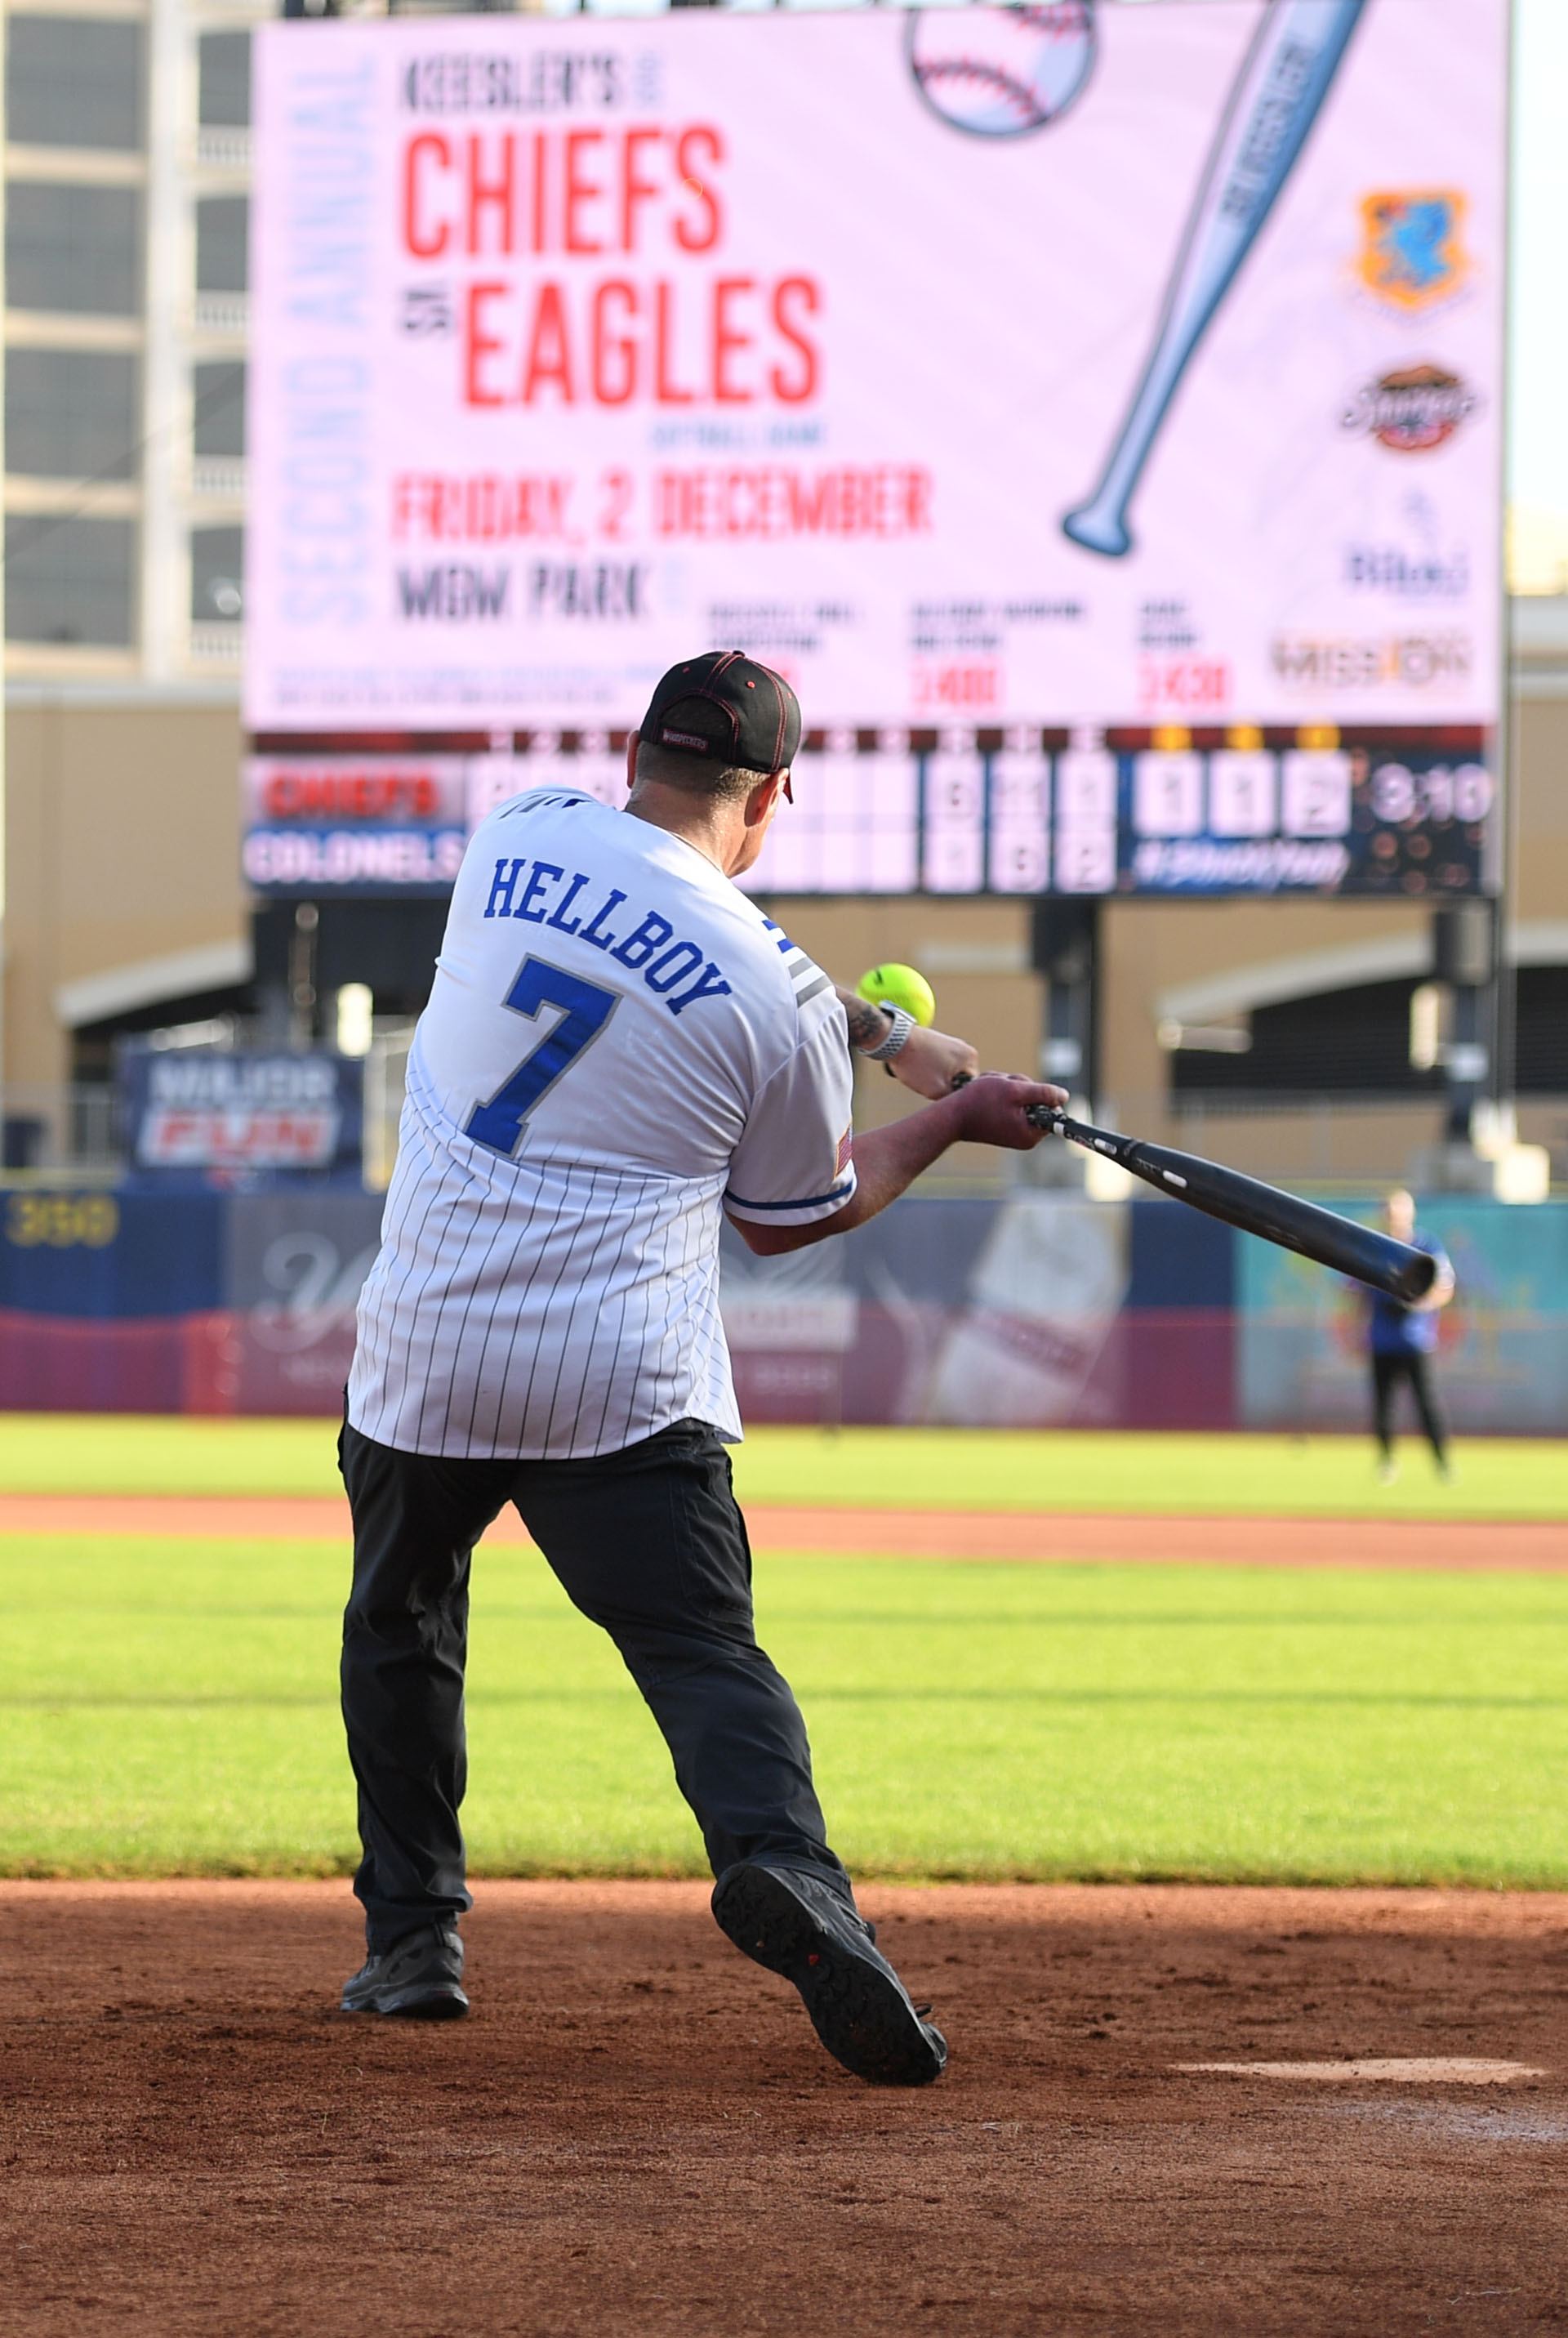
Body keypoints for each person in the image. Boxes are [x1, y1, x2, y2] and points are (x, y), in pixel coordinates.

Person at [336, 649, 1065, 2086]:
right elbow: (798, 1215)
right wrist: (948, 1112)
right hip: (615, 1372)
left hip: (426, 1344)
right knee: (698, 1652)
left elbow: (663, 922)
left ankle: (414, 1943)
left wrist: (887, 1032)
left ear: (634, 752)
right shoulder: (773, 1005)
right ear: (776, 794)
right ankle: (787, 1869)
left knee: (401, 1621)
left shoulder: (520, 830)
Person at [1366, 1188, 1455, 1483]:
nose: (1394, 1217)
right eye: (1389, 1211)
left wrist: (1420, 1304)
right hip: (1381, 1338)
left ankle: (1443, 1464)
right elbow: (1352, 1290)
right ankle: (1387, 1462)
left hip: (1416, 1340)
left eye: (1399, 1211)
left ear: (1410, 1213)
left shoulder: (1426, 1245)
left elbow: (1445, 1287)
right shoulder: (1374, 1245)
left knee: (1428, 1405)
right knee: (1384, 1406)